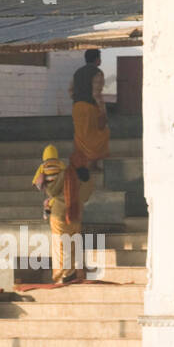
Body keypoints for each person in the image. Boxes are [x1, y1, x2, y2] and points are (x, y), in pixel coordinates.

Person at [64, 50, 110, 227]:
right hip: (90, 108)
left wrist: (77, 100)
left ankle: (85, 164)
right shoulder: (97, 73)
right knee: (99, 135)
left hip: (77, 107)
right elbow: (96, 93)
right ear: (97, 59)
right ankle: (93, 164)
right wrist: (102, 111)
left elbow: (71, 90)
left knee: (81, 137)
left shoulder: (77, 73)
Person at [31, 144, 81, 284]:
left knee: (59, 244)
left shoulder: (43, 167)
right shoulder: (64, 167)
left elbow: (39, 184)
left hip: (58, 212)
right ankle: (70, 272)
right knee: (71, 242)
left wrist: (42, 182)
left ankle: (60, 275)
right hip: (73, 210)